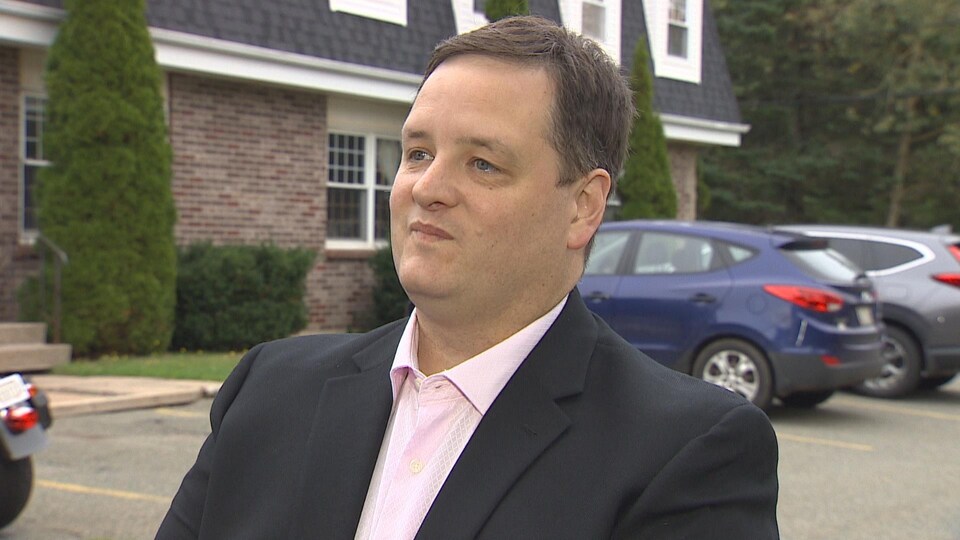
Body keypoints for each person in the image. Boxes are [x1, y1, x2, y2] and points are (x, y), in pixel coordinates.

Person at [156, 16, 779, 540]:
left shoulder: (687, 454)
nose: (426, 188)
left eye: (482, 163)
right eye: (418, 153)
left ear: (584, 205)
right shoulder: (268, 392)